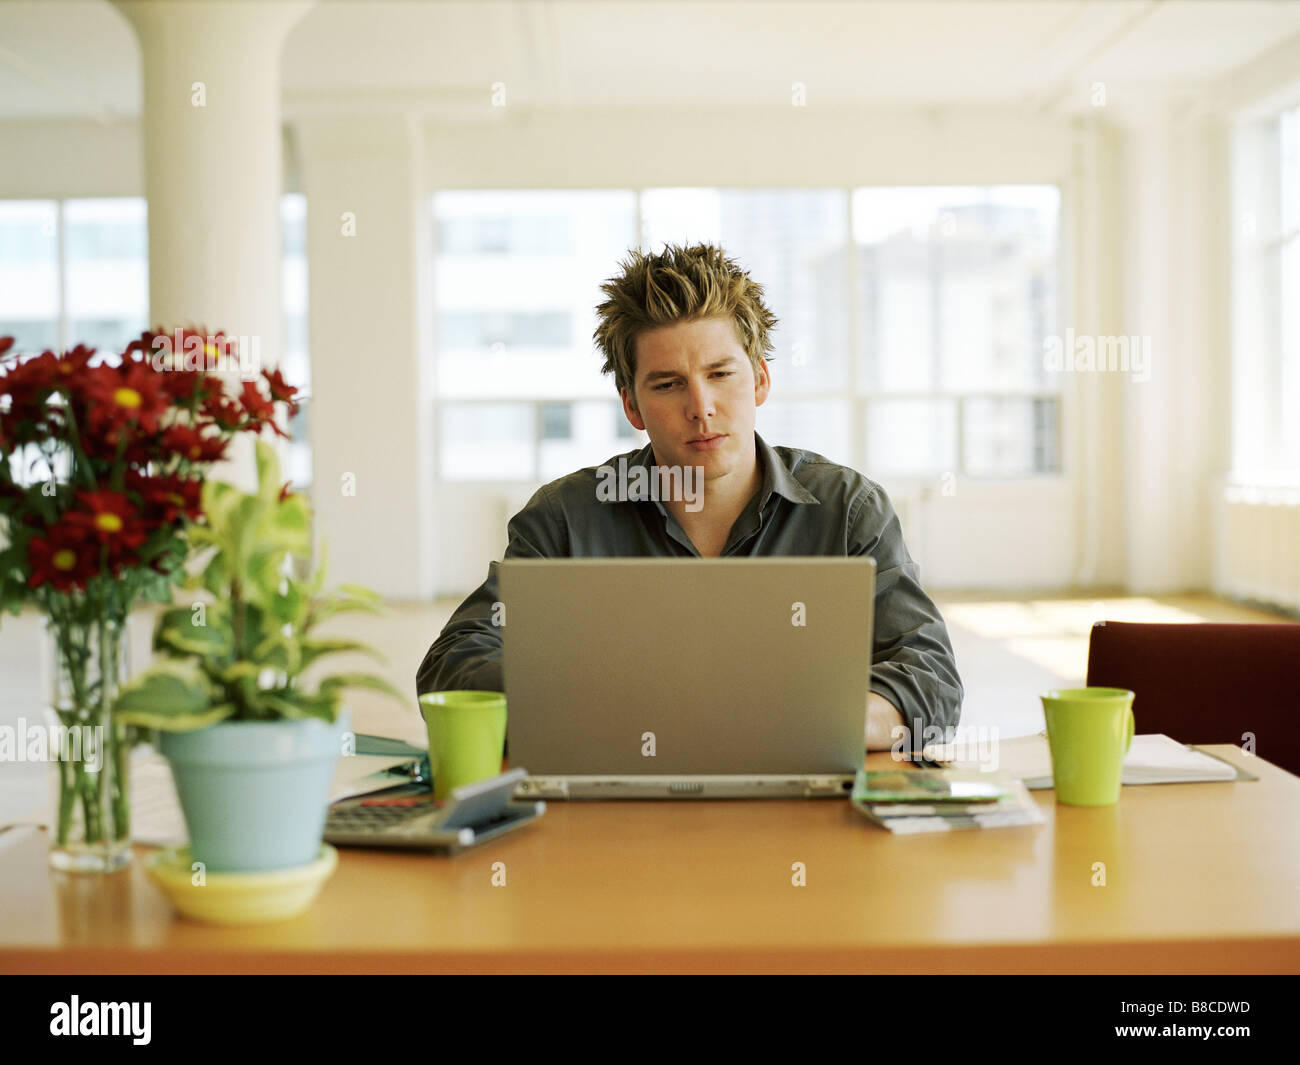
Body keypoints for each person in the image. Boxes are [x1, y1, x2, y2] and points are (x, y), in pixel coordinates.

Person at [417, 242, 962, 751]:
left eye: (721, 374)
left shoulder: (848, 508)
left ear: (761, 381)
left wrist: (821, 721)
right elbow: (454, 660)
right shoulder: (564, 519)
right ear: (632, 405)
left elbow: (929, 674)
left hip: (798, 794)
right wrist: (598, 702)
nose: (700, 407)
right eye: (668, 384)